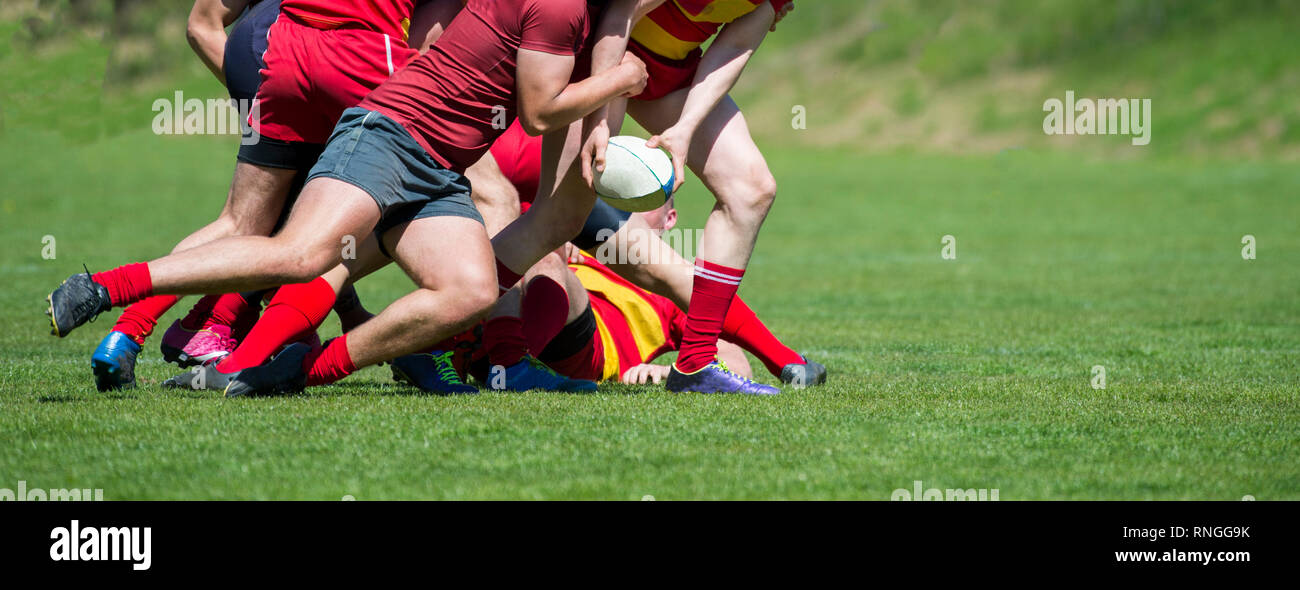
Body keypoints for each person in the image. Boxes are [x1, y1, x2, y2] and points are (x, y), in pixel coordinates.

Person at [46, 0, 649, 399]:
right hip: (390, 136)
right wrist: (623, 79)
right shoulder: (563, 4)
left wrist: (603, 117)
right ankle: (103, 289)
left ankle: (297, 370)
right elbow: (540, 112)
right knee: (301, 254)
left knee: (470, 290)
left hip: (437, 169)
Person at [87, 0, 417, 391]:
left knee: (254, 223)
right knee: (328, 229)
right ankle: (212, 330)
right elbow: (202, 24)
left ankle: (134, 332)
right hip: (322, 58)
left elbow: (201, 23)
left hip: (280, 56)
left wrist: (270, 97)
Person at [486, 0, 799, 393]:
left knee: (752, 189)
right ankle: (440, 343)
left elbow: (735, 45)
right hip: (603, 53)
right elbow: (621, 15)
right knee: (557, 221)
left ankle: (696, 363)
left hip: (668, 70)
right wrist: (602, 118)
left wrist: (686, 126)